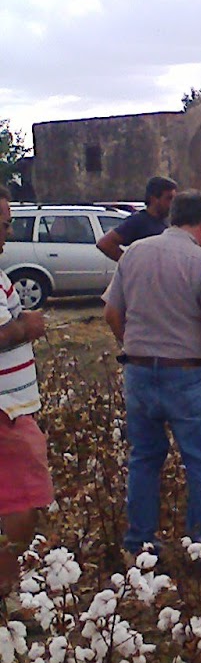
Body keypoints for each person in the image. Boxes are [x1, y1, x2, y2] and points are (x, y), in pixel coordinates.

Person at [103, 189, 201, 570]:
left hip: (138, 371)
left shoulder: (135, 252)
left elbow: (111, 312)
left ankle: (139, 544)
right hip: (186, 373)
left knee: (143, 460)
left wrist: (134, 344)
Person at [0, 184, 54, 596]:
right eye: (3, 225)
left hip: (13, 407)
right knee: (20, 499)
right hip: (7, 411)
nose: (7, 234)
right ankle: (7, 588)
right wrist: (25, 327)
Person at [97, 176, 178, 262]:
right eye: (168, 198)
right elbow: (105, 243)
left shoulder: (167, 221)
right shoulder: (139, 221)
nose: (172, 203)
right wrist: (131, 263)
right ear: (154, 199)